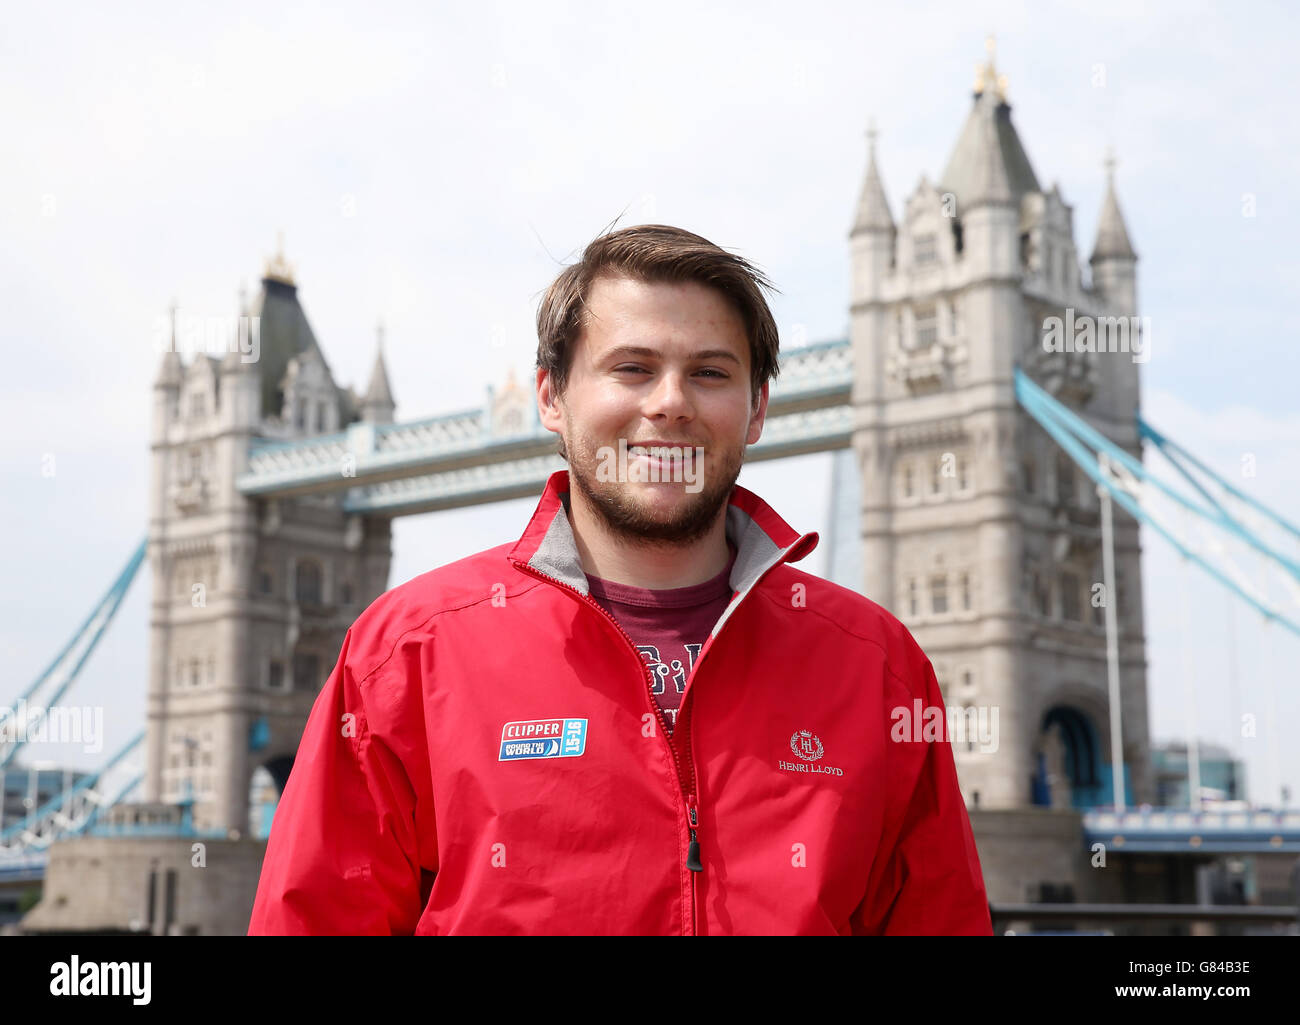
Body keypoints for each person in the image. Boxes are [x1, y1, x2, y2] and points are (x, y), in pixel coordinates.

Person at [247, 223, 992, 935]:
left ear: (758, 407)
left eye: (709, 372)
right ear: (551, 397)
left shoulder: (879, 669)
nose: (669, 401)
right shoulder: (401, 658)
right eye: (632, 368)